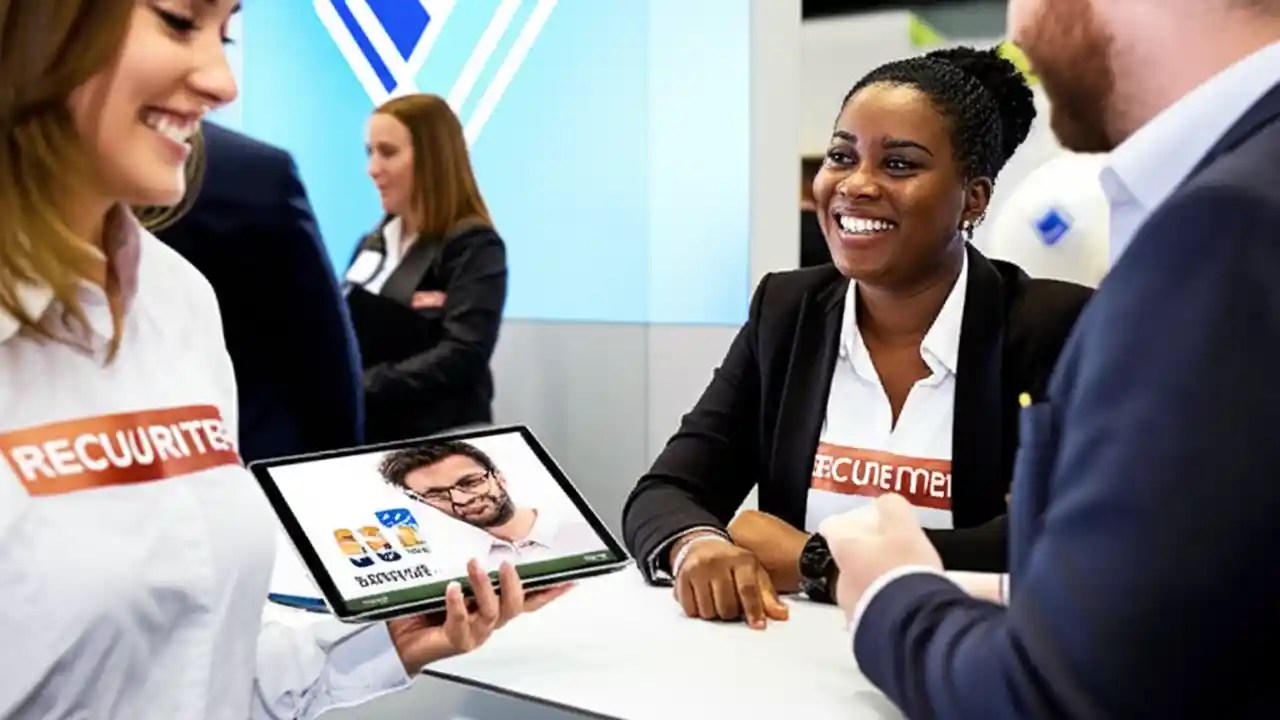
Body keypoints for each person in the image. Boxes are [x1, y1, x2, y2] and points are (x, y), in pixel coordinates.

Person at [0, 3, 565, 718]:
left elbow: (197, 671)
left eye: (226, 32)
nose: (221, 81)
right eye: (178, 21)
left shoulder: (180, 305)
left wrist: (379, 644)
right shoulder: (363, 242)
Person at [820, 1, 1280, 717]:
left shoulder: (1227, 228)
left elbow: (1063, 698)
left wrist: (891, 592)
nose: (1021, 27)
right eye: (843, 154)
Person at [622, 47, 1093, 629]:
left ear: (973, 198)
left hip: (968, 663)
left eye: (899, 165)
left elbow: (1053, 539)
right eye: (842, 156)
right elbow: (668, 490)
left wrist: (813, 561)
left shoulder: (1052, 324)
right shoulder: (788, 312)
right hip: (794, 672)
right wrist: (697, 546)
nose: (856, 185)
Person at [154, 122, 365, 463]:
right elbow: (323, 349)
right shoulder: (248, 171)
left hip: (252, 459)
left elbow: (320, 344)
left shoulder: (250, 174)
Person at [345, 94, 506, 443]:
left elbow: (463, 354)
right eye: (369, 152)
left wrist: (360, 384)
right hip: (370, 436)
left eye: (387, 152)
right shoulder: (372, 243)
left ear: (433, 159)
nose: (373, 168)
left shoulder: (473, 246)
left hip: (440, 443)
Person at [379, 440, 602, 565]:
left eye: (470, 482)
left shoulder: (584, 529)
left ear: (500, 478)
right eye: (436, 495)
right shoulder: (448, 565)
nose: (461, 499)